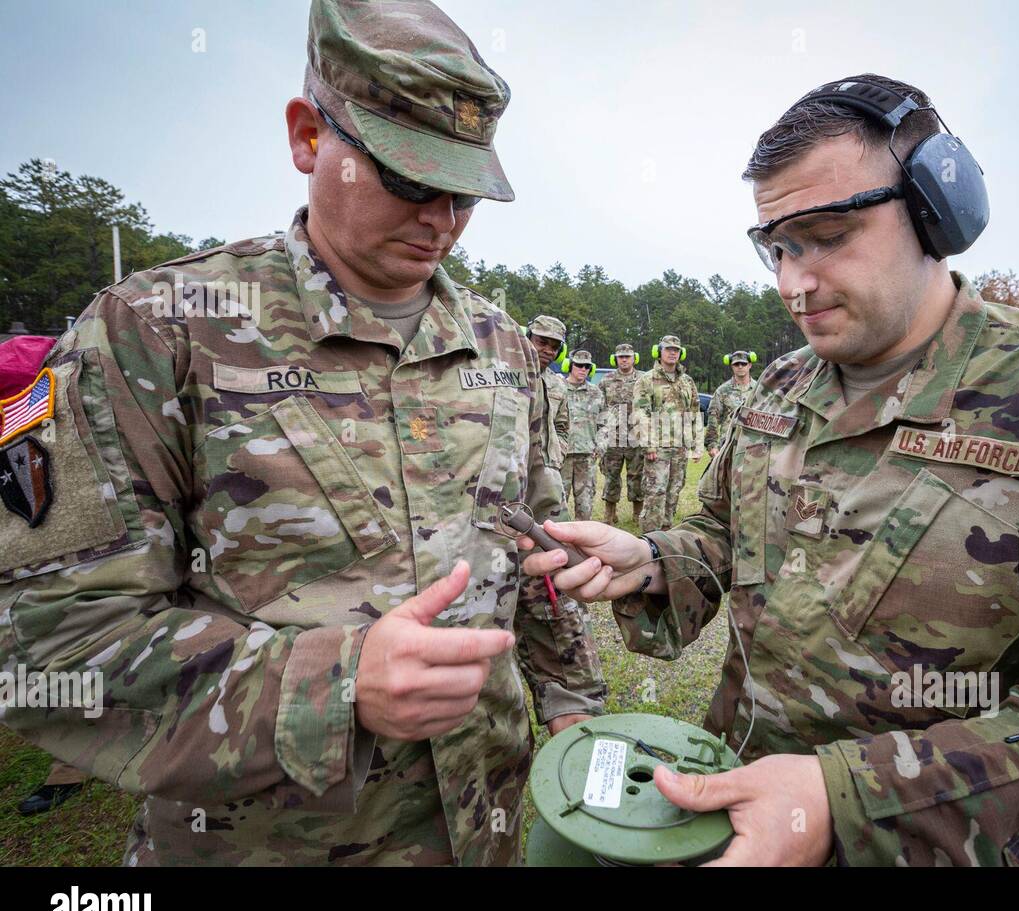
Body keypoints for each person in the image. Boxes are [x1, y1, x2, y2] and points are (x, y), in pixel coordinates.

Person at [521, 72, 1019, 866]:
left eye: (827, 236)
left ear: (935, 213)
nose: (793, 283)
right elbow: (724, 534)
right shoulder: (784, 388)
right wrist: (651, 562)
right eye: (777, 247)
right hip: (727, 821)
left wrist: (849, 802)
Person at [0, 0, 604, 866]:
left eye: (465, 192)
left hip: (483, 825)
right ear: (307, 139)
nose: (442, 219)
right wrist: (335, 685)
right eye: (407, 179)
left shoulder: (502, 345)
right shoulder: (150, 332)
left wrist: (574, 697)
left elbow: (534, 545)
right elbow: (42, 639)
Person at [633, 334, 702, 533]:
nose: (672, 353)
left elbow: (695, 412)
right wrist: (648, 445)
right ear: (659, 352)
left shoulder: (687, 381)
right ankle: (649, 537)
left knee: (674, 492)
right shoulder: (646, 380)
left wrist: (697, 445)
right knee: (655, 493)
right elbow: (640, 413)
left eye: (676, 350)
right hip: (658, 448)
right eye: (668, 349)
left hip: (680, 447)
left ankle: (666, 532)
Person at [599, 344, 644, 524]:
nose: (624, 359)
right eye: (620, 357)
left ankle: (637, 514)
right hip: (613, 437)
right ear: (615, 359)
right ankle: (610, 514)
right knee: (611, 476)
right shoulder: (606, 380)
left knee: (637, 476)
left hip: (636, 436)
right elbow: (600, 408)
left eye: (627, 356)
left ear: (634, 358)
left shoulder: (643, 379)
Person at [559, 350, 604, 520]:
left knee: (585, 502)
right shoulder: (558, 389)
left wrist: (600, 446)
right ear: (570, 366)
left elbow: (605, 423)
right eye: (579, 365)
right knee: (557, 501)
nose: (583, 369)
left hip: (587, 455)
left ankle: (581, 539)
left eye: (587, 366)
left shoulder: (596, 393)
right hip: (561, 456)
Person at [526, 314, 571, 470]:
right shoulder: (507, 376)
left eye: (554, 347)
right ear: (527, 339)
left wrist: (558, 456)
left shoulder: (559, 384)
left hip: (545, 468)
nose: (548, 351)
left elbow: (562, 427)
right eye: (542, 343)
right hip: (507, 468)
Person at [703, 350, 759, 458]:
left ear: (750, 365)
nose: (740, 366)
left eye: (743, 363)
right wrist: (712, 445)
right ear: (732, 366)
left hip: (753, 446)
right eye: (736, 364)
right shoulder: (722, 391)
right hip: (728, 446)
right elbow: (713, 419)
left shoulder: (759, 390)